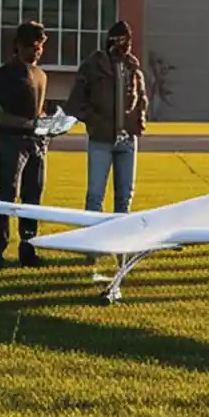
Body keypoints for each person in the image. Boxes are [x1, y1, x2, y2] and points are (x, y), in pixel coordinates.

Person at [66, 20, 148, 278]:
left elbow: (141, 98)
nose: (126, 44)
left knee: (124, 197)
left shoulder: (133, 66)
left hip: (127, 140)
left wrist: (139, 120)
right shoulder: (93, 65)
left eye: (129, 39)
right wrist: (95, 121)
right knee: (95, 196)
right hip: (101, 138)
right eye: (121, 39)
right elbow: (76, 102)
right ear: (111, 40)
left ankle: (121, 248)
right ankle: (92, 248)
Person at [0, 20, 49, 269]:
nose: (37, 51)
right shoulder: (5, 74)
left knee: (33, 197)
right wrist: (23, 124)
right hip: (12, 141)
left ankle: (28, 251)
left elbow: (38, 110)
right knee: (7, 195)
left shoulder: (41, 75)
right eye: (33, 46)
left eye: (41, 46)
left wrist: (45, 122)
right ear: (19, 46)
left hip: (38, 143)